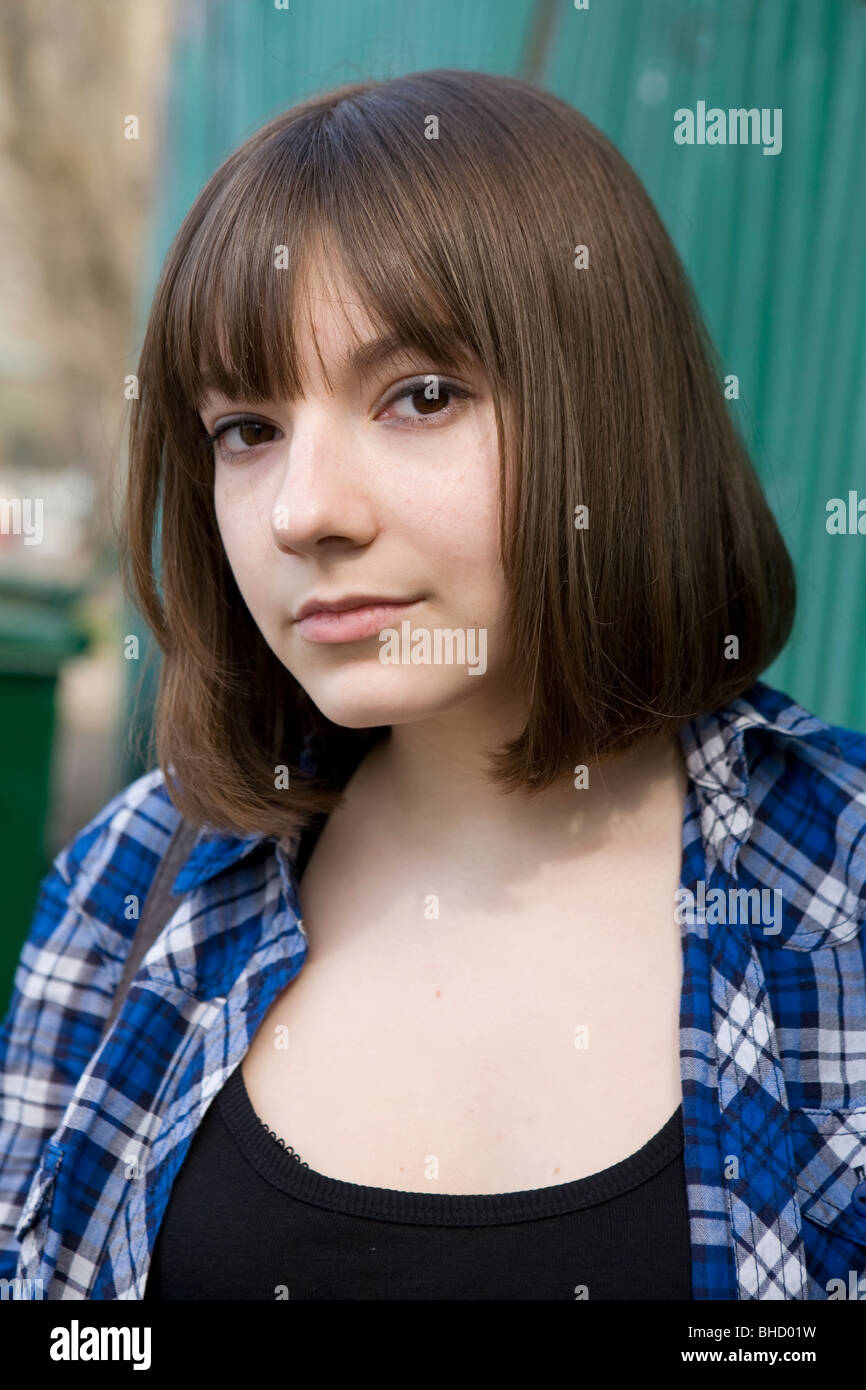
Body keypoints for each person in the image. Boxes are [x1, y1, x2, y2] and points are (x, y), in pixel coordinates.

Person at [1, 69, 865, 1302]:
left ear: (609, 412)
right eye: (246, 428)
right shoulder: (128, 892)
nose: (304, 512)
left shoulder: (838, 885)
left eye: (418, 398)